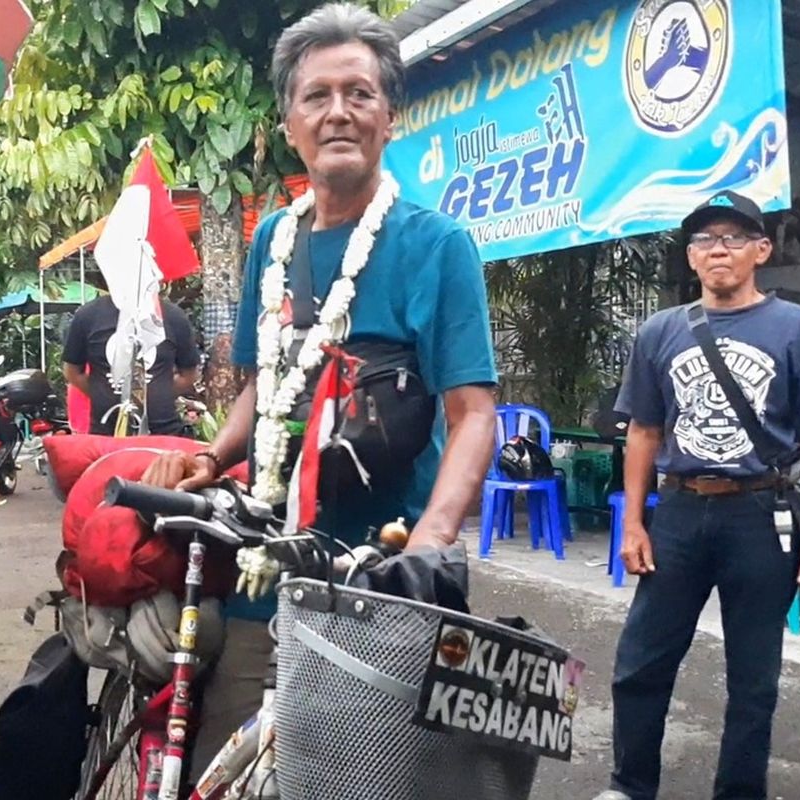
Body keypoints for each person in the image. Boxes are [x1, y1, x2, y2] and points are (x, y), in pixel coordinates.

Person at [141, 2, 498, 776]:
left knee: (357, 775)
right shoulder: (273, 238)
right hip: (265, 563)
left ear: (389, 117)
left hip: (380, 577)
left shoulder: (436, 245)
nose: (340, 111)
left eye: (360, 93)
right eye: (318, 96)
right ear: (290, 121)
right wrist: (217, 454)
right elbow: (260, 387)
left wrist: (431, 542)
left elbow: (475, 416)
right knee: (224, 759)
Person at [596, 190, 800, 800]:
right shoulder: (661, 331)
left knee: (753, 677)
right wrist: (634, 522)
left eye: (734, 237)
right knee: (641, 663)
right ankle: (630, 786)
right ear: (690, 255)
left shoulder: (795, 327)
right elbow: (645, 433)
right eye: (706, 240)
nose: (719, 250)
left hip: (762, 513)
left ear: (762, 250)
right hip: (679, 510)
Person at [62, 293, 200, 435]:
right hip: (106, 434)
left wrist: (158, 393)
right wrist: (101, 393)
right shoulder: (88, 315)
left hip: (164, 433)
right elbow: (72, 372)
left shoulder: (173, 317)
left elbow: (188, 374)